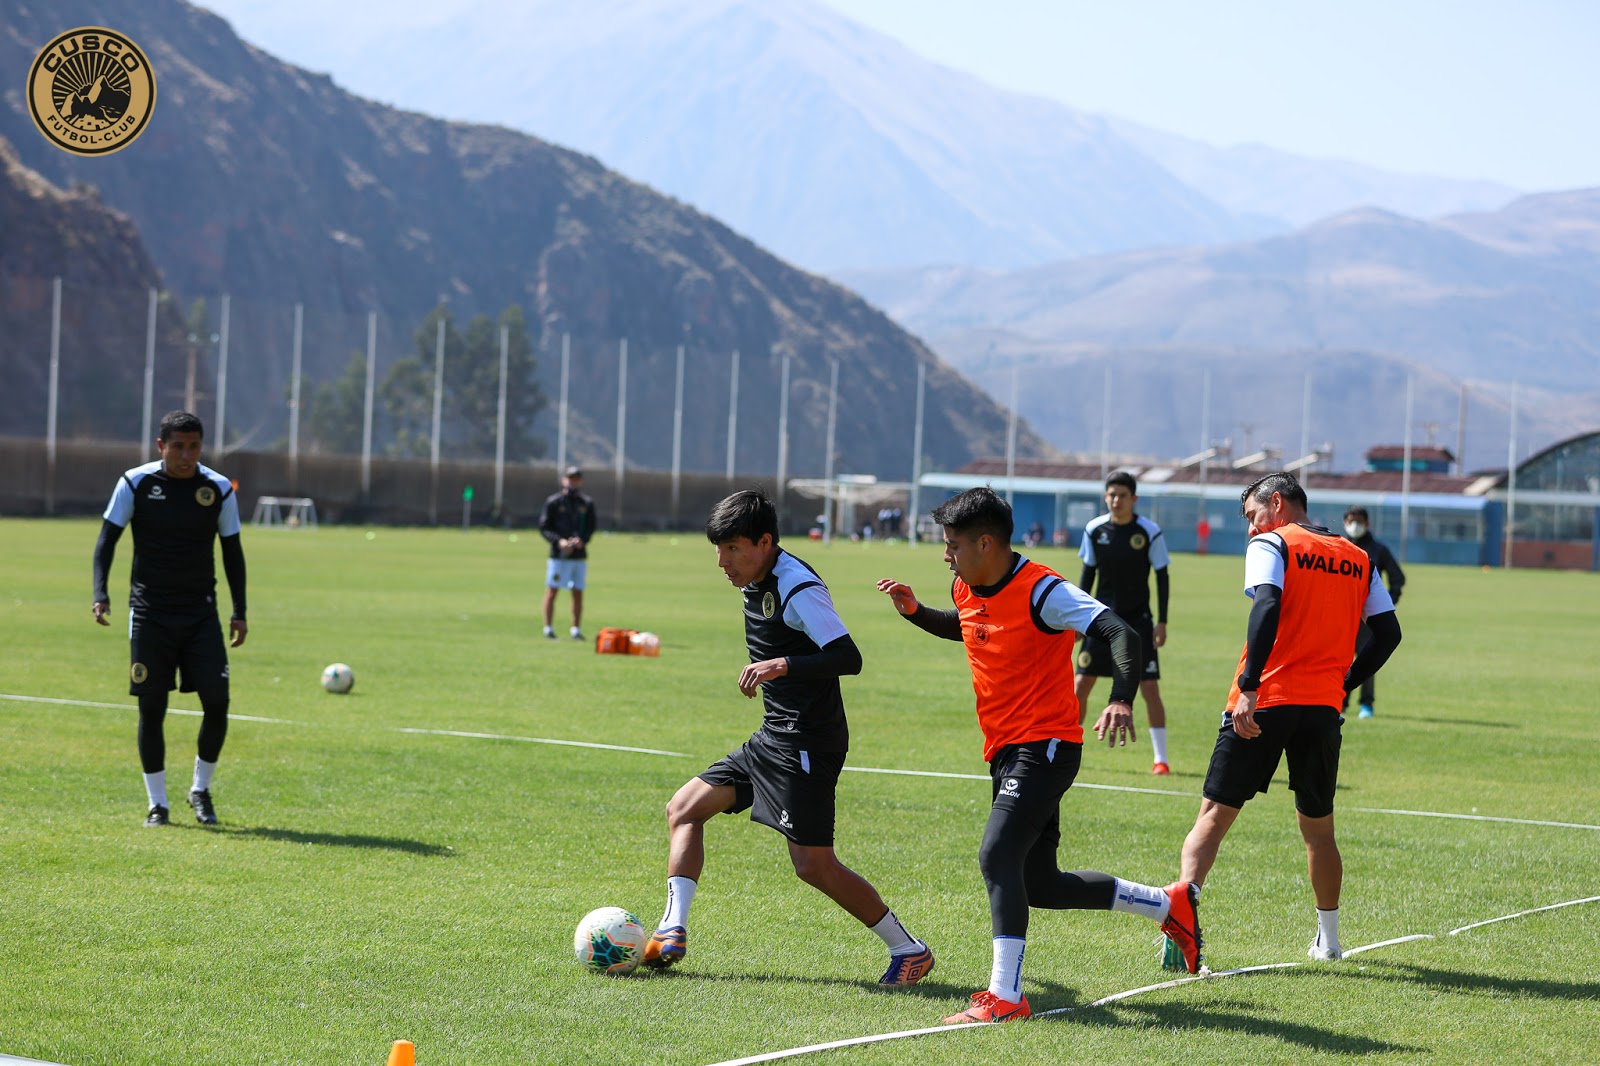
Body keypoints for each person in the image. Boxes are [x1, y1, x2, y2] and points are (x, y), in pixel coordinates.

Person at [877, 487, 1202, 1025]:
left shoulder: (1043, 591)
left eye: (952, 544)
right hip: (1005, 750)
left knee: (997, 853)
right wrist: (916, 613)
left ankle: (1004, 997)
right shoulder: (965, 584)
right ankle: (1170, 906)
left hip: (1046, 746)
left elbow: (1121, 632)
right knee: (1040, 884)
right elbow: (970, 628)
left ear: (986, 543)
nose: (945, 555)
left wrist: (1121, 697)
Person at [641, 489, 935, 986]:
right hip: (773, 735)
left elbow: (848, 657)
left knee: (813, 866)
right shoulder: (754, 576)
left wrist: (783, 665)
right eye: (718, 550)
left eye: (733, 549)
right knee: (684, 808)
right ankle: (671, 930)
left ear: (765, 542)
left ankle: (909, 950)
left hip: (808, 743)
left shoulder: (798, 587)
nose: (722, 562)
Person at [1174, 473, 1401, 964]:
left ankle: (1180, 929)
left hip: (1264, 701)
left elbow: (1268, 604)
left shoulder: (1273, 543)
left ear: (1276, 503)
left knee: (1212, 818)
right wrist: (1343, 685)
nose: (1251, 529)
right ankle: (1331, 940)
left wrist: (1250, 687)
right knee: (1319, 831)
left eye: (1253, 517)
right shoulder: (1357, 556)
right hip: (1321, 709)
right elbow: (1388, 633)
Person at [91, 411, 247, 827]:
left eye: (193, 446)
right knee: (152, 708)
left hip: (200, 614)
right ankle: (157, 803)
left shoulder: (216, 489)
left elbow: (233, 552)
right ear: (161, 446)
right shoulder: (134, 483)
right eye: (177, 446)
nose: (186, 455)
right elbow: (107, 540)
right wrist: (100, 594)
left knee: (217, 701)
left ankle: (200, 789)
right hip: (149, 615)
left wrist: (240, 611)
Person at [1076, 472, 1175, 774]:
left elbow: (1162, 576)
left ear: (1134, 499)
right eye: (1111, 495)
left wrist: (1162, 622)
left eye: (1122, 495)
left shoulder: (1148, 531)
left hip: (1138, 624)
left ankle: (1161, 760)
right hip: (1100, 620)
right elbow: (1087, 575)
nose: (1116, 500)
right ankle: (1067, 748)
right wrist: (1078, 617)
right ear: (1105, 497)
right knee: (1080, 684)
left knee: (1149, 688)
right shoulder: (1094, 529)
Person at [1340, 506, 1405, 719]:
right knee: (1340, 659)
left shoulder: (1378, 550)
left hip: (1368, 619)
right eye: (1351, 520)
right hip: (1343, 615)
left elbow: (1398, 578)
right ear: (1344, 523)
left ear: (1368, 524)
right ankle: (1339, 701)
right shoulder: (1338, 547)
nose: (1354, 525)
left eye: (1359, 521)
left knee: (1367, 659)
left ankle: (1366, 704)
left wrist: (1385, 604)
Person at [537, 466, 597, 640]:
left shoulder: (586, 503)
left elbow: (591, 528)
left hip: (578, 556)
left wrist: (581, 541)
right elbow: (544, 527)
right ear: (564, 480)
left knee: (577, 592)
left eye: (576, 478)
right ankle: (548, 628)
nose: (573, 481)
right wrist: (559, 541)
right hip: (559, 555)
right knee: (553, 590)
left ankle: (575, 630)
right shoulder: (554, 502)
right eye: (570, 478)